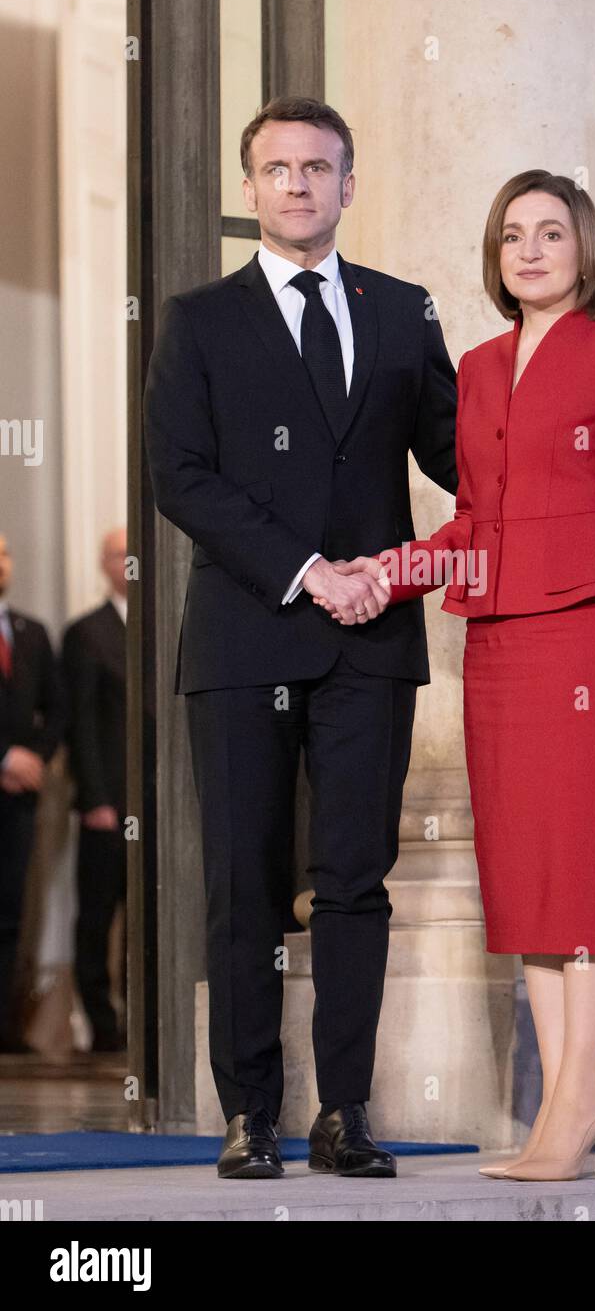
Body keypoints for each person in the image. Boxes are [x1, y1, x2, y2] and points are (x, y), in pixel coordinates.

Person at [318, 170, 595, 1180]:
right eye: (512, 235)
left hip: (586, 638)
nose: (528, 251)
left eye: (549, 234)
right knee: (522, 875)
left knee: (575, 874)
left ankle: (569, 1104)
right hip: (498, 645)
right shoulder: (475, 368)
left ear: (584, 251)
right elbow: (474, 521)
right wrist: (387, 572)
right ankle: (578, 1098)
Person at [144, 96, 457, 1179]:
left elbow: (466, 456)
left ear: (348, 184)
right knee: (243, 877)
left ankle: (346, 1114)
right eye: (275, 168)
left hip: (371, 643)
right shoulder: (196, 319)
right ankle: (249, 1114)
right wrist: (307, 570)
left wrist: (558, 383)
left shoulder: (405, 311)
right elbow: (179, 476)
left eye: (316, 167)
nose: (295, 185)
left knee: (356, 881)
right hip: (246, 636)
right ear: (249, 189)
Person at [62, 527, 129, 1053]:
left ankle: (140, 1021)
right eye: (117, 554)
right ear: (104, 565)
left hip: (151, 802)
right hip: (107, 803)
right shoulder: (86, 632)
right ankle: (102, 1026)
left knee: (143, 916)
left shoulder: (158, 620)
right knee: (97, 914)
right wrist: (96, 798)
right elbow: (80, 723)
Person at [0, 532, 64, 1051]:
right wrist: (4, 756)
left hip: (20, 798)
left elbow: (57, 710)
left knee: (11, 911)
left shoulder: (33, 632)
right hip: (8, 771)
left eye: (3, 551)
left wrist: (33, 758)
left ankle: (5, 1027)